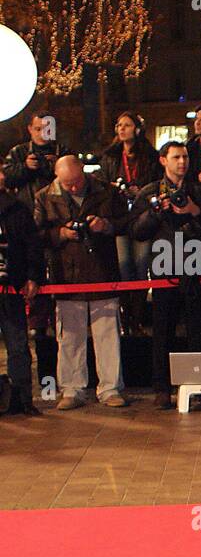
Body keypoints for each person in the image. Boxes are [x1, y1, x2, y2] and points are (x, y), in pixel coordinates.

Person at [129, 141, 201, 409]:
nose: (182, 162)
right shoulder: (150, 193)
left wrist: (195, 211)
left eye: (184, 157)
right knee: (162, 332)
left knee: (198, 332)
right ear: (163, 160)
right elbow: (136, 231)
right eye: (176, 157)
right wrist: (156, 212)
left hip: (197, 268)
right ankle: (161, 389)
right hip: (165, 269)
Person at [33, 156, 131, 410]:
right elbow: (35, 233)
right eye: (67, 184)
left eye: (77, 182)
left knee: (108, 335)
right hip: (66, 275)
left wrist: (105, 225)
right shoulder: (44, 196)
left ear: (83, 174)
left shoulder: (106, 191)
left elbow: (126, 222)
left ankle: (110, 387)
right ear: (57, 178)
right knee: (69, 336)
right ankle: (72, 388)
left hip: (102, 271)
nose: (73, 188)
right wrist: (60, 234)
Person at [97, 112, 161, 336]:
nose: (122, 129)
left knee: (142, 265)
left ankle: (140, 315)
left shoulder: (150, 156)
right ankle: (127, 317)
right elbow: (102, 185)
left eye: (127, 125)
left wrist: (141, 191)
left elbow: (156, 183)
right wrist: (114, 187)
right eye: (119, 125)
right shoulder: (111, 156)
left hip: (142, 216)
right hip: (120, 215)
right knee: (124, 266)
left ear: (137, 129)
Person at [0, 162, 43, 415]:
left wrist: (33, 276)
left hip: (11, 288)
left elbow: (32, 245)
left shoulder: (17, 209)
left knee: (17, 345)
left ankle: (23, 399)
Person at [4, 111, 70, 210]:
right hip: (27, 208)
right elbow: (7, 179)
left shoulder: (64, 152)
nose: (42, 134)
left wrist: (60, 167)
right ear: (30, 129)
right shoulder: (18, 152)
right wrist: (25, 167)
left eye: (47, 130)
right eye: (38, 129)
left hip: (58, 210)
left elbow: (75, 180)